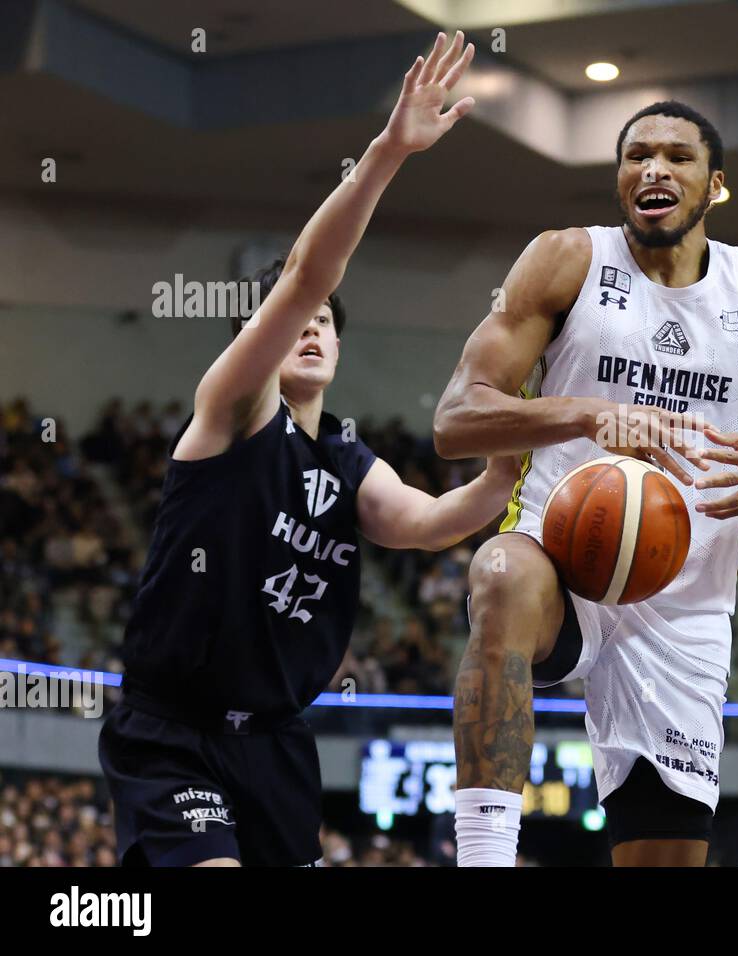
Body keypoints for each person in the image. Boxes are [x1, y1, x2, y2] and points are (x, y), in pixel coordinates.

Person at [99, 34, 517, 867]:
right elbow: (303, 278)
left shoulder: (350, 461)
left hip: (277, 742)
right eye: (303, 319)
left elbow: (430, 522)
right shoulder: (232, 410)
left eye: (329, 322)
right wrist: (389, 152)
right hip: (173, 728)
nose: (316, 326)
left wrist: (507, 472)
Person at [435, 100, 738, 866]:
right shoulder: (567, 258)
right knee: (498, 572)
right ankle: (483, 856)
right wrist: (588, 415)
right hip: (564, 557)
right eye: (636, 156)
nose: (654, 169)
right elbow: (456, 419)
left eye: (676, 156)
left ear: (716, 185)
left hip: (682, 599)